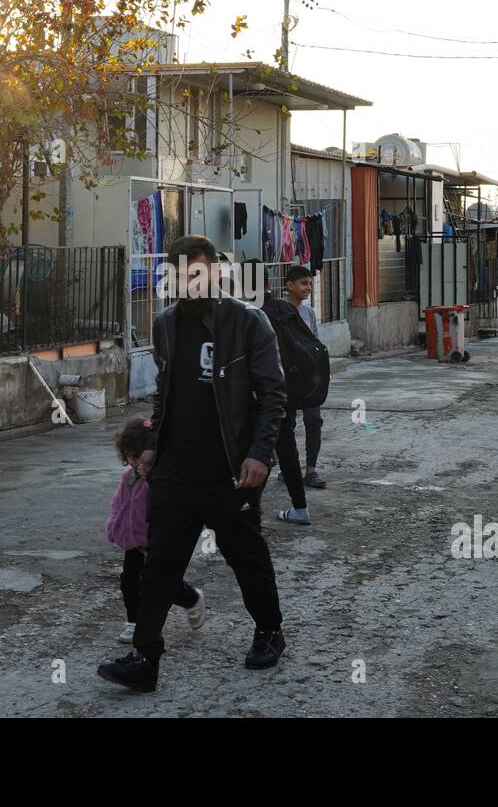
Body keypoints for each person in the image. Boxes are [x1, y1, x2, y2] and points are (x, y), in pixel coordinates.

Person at [97, 235, 287, 692]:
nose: (190, 283)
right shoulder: (165, 324)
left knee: (245, 555)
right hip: (174, 468)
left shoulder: (248, 323)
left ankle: (269, 631)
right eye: (181, 274)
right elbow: (167, 389)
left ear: (217, 272)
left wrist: (259, 453)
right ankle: (145, 657)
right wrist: (151, 445)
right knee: (159, 563)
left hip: (230, 468)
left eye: (198, 273)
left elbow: (273, 396)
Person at [106, 417, 206, 644]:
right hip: (134, 542)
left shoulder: (162, 477)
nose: (133, 462)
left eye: (138, 455)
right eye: (129, 456)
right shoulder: (128, 477)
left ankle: (191, 598)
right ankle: (133, 622)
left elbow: (174, 506)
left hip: (158, 540)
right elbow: (118, 503)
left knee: (162, 582)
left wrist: (150, 477)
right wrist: (115, 526)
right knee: (130, 580)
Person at [263, 267, 330, 527]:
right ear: (288, 285)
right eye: (303, 283)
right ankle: (292, 488)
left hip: (303, 381)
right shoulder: (274, 311)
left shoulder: (306, 313)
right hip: (286, 384)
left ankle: (310, 470)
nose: (308, 288)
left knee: (310, 423)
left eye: (310, 283)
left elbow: (314, 346)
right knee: (283, 434)